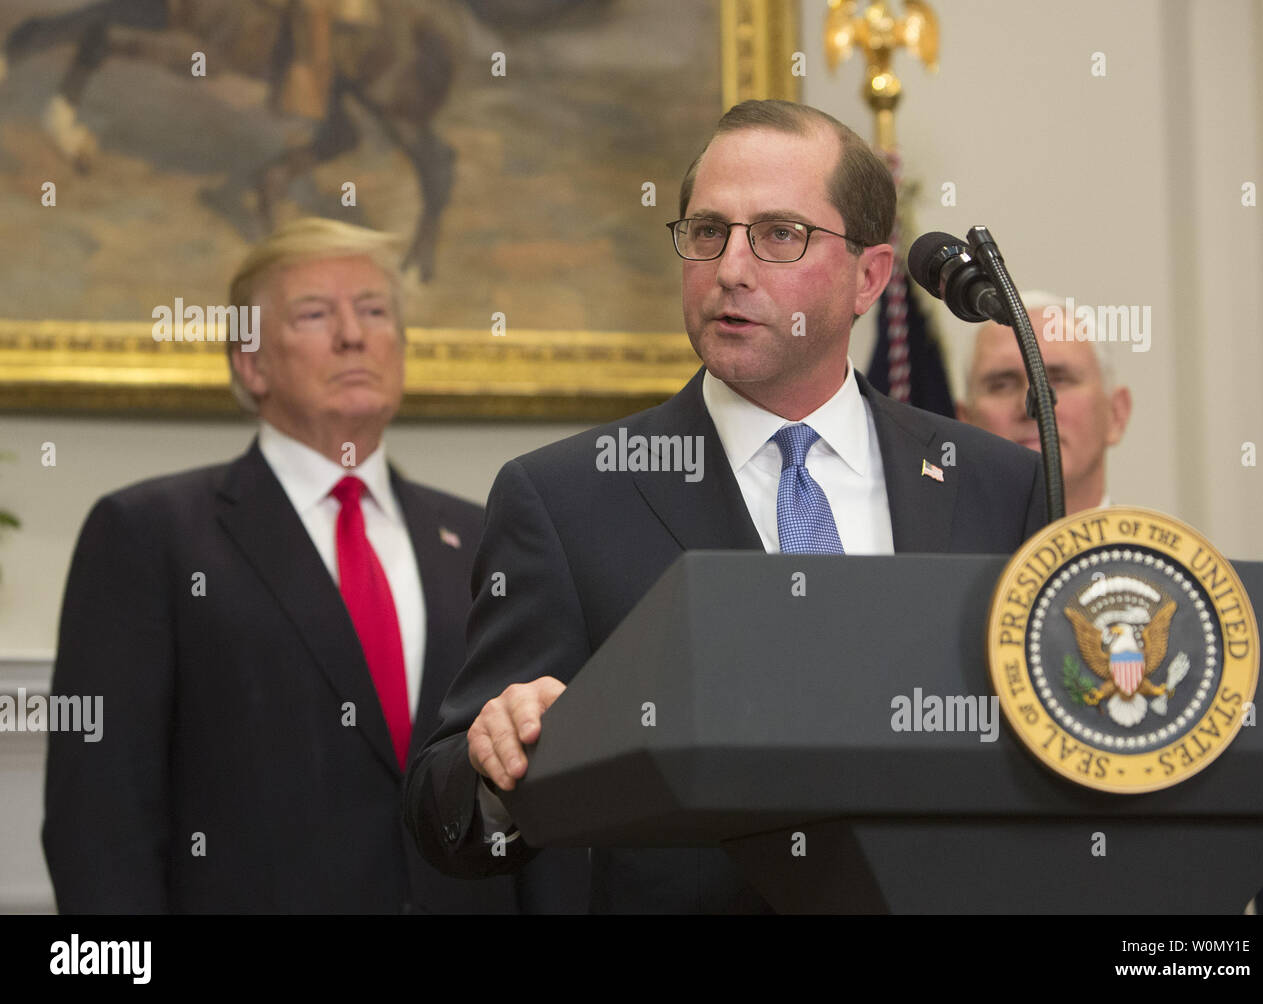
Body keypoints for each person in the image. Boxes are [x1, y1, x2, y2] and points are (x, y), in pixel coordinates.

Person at [403, 100, 1048, 913]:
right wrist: (498, 767)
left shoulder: (992, 482)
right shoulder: (567, 499)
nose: (731, 268)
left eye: (779, 235)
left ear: (870, 277)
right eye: (708, 232)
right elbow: (446, 813)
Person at [43, 217, 522, 913]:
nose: (353, 335)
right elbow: (98, 820)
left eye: (374, 311)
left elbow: (526, 789)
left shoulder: (479, 535)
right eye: (314, 314)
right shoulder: (151, 535)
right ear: (251, 362)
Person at [957, 292, 1131, 514]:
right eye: (1002, 385)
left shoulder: (1168, 549)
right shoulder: (921, 549)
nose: (1031, 407)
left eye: (1059, 380)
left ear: (1116, 414)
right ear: (964, 422)